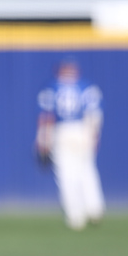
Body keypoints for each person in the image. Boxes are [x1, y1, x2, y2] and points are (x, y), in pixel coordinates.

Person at [35, 58, 105, 230]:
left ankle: (75, 216)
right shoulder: (86, 86)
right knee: (87, 171)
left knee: (67, 176)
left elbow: (46, 117)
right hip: (83, 130)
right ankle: (95, 208)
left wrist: (42, 139)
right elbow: (95, 115)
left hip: (62, 131)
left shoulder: (52, 87)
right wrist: (94, 137)